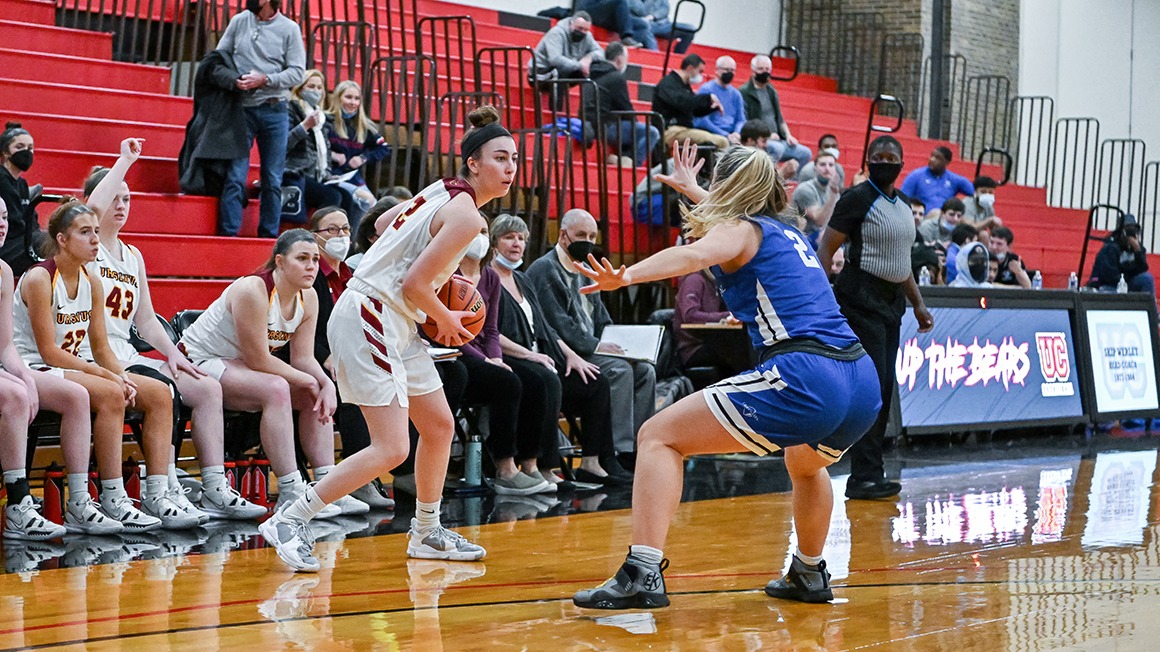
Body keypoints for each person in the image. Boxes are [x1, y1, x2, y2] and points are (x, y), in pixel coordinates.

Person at [571, 141, 881, 609]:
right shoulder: (787, 232)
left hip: (808, 373)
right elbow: (728, 230)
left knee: (658, 436)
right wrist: (695, 190)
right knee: (806, 464)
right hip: (859, 378)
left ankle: (642, 572)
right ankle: (809, 572)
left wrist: (626, 276)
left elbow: (693, 255)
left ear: (730, 188)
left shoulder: (740, 229)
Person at [261, 106, 514, 572]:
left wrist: (422, 272)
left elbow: (381, 225)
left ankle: (426, 530)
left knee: (437, 425)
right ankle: (290, 519)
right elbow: (416, 285)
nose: (511, 169)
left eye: (514, 160)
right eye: (500, 158)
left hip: (390, 316)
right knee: (393, 447)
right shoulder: (468, 219)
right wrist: (449, 319)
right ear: (473, 164)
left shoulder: (441, 190)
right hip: (373, 313)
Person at [82, 138, 266, 523]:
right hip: (92, 353)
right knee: (163, 392)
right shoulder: (86, 248)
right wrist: (124, 161)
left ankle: (214, 486)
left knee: (204, 386)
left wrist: (175, 356)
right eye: (115, 197)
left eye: (127, 199)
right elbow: (91, 210)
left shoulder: (133, 255)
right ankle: (160, 486)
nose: (120, 206)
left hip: (127, 353)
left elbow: (146, 320)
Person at [13, 199, 179, 531]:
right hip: (31, 367)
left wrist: (119, 373)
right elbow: (49, 352)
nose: (94, 240)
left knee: (161, 394)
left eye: (97, 233)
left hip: (74, 365)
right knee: (109, 393)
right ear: (62, 239)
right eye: (85, 232)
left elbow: (101, 347)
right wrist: (107, 376)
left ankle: (159, 494)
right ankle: (96, 500)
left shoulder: (92, 281)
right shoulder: (40, 278)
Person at [178, 229, 361, 520]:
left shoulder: (309, 297)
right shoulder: (253, 289)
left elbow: (303, 358)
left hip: (239, 366)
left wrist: (325, 382)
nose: (311, 265)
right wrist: (310, 380)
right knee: (278, 387)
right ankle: (291, 490)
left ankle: (325, 488)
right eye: (302, 258)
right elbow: (259, 358)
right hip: (198, 361)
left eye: (314, 259)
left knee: (313, 392)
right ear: (280, 262)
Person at [817, 135, 934, 501]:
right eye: (878, 157)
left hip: (892, 304)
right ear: (868, 162)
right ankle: (862, 475)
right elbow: (825, 249)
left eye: (892, 157)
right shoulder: (857, 199)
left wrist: (918, 304)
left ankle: (869, 473)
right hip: (859, 299)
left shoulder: (901, 205)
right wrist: (821, 301)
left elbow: (902, 264)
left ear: (902, 163)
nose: (885, 162)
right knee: (873, 388)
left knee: (883, 388)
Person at [490, 213, 626, 486]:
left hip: (542, 354)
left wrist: (570, 355)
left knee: (595, 382)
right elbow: (490, 333)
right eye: (508, 237)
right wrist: (532, 355)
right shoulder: (489, 279)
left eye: (521, 238)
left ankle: (594, 461)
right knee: (546, 380)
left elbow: (545, 328)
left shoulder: (522, 280)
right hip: (511, 356)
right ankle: (538, 466)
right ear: (493, 244)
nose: (516, 244)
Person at [528, 208, 654, 465]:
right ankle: (617, 451)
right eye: (581, 234)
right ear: (563, 236)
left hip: (592, 349)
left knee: (645, 371)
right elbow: (558, 325)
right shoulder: (545, 269)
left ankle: (642, 445)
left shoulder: (587, 269)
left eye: (592, 236)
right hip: (564, 353)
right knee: (620, 370)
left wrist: (621, 341)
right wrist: (599, 345)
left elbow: (602, 318)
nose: (588, 240)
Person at [293, 206, 395, 508]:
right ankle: (356, 479)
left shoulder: (354, 274)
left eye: (345, 230)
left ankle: (391, 472)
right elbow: (301, 327)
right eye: (332, 230)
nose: (340, 236)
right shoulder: (310, 275)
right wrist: (327, 357)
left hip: (347, 355)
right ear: (315, 237)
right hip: (309, 356)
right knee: (351, 389)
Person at [455, 223, 554, 495]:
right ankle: (504, 468)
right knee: (507, 382)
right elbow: (454, 334)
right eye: (474, 231)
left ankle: (530, 464)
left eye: (484, 232)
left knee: (535, 381)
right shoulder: (448, 273)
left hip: (486, 353)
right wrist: (487, 361)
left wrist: (495, 357)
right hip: (457, 350)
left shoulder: (490, 277)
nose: (479, 237)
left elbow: (491, 330)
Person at [0, 196, 77, 541]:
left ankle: (72, 502)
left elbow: (4, 345)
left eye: (4, 217)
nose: (2, 224)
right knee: (14, 394)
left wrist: (27, 378)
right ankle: (18, 500)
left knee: (26, 390)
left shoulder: (3, 272)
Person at [216, 0, 306, 238]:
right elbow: (219, 57)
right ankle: (228, 234)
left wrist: (265, 79)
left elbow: (298, 71)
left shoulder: (289, 28)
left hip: (275, 108)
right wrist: (234, 79)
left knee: (272, 178)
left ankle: (268, 237)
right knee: (235, 174)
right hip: (241, 107)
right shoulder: (239, 21)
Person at [284, 69, 351, 225]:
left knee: (347, 197)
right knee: (332, 196)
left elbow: (325, 151)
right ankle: (319, 236)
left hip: (317, 176)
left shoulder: (320, 116)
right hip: (296, 173)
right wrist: (304, 126)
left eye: (319, 88)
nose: (316, 91)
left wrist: (328, 175)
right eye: (311, 86)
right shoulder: (291, 109)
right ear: (300, 89)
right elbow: (283, 145)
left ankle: (347, 244)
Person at [325, 80, 390, 229]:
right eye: (348, 97)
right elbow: (314, 147)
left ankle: (357, 244)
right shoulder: (326, 120)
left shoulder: (364, 125)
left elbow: (383, 148)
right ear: (338, 98)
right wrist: (332, 155)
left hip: (353, 177)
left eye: (357, 98)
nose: (353, 102)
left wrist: (363, 157)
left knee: (374, 207)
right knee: (364, 200)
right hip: (331, 177)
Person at [585, 41, 661, 166]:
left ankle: (622, 157)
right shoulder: (616, 77)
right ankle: (631, 163)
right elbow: (626, 108)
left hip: (590, 124)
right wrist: (636, 123)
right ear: (620, 60)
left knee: (634, 129)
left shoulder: (593, 74)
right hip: (605, 127)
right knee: (651, 132)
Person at [740, 56, 812, 169]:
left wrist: (789, 136)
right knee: (777, 149)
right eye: (761, 69)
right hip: (760, 140)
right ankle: (770, 180)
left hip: (779, 138)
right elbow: (747, 123)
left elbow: (780, 119)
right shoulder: (744, 92)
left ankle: (789, 181)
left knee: (805, 153)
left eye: (767, 69)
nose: (765, 72)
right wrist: (766, 136)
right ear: (753, 71)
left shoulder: (771, 91)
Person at [530, 12, 604, 110]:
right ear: (571, 24)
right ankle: (555, 114)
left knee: (595, 67)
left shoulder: (587, 36)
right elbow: (555, 59)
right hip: (540, 74)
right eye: (579, 28)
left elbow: (600, 53)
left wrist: (588, 58)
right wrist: (580, 65)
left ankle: (590, 111)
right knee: (560, 71)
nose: (582, 32)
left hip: (568, 68)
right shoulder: (556, 33)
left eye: (586, 30)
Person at [651, 54, 727, 149]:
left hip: (684, 130)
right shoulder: (668, 83)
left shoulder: (684, 86)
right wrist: (708, 98)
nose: (701, 75)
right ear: (690, 68)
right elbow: (684, 103)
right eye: (700, 71)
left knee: (716, 141)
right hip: (671, 131)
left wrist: (711, 106)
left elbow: (694, 110)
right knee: (721, 142)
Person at [0, 123, 44, 277]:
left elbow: (32, 220)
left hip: (22, 244)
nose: (26, 152)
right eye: (19, 147)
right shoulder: (1, 179)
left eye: (30, 148)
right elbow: (15, 224)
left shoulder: (22, 184)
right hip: (5, 246)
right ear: (5, 152)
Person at [899, 146, 975, 215]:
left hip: (946, 220)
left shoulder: (954, 179)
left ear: (947, 162)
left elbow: (974, 192)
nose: (932, 159)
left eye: (937, 158)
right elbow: (902, 199)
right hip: (921, 219)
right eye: (932, 156)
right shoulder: (916, 175)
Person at [1090, 218, 1155, 294]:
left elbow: (1143, 268)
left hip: (1126, 282)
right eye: (1128, 231)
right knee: (1113, 294)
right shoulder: (1111, 247)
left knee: (1147, 279)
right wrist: (1125, 281)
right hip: (1108, 284)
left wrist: (1138, 251)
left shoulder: (1137, 247)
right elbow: (1110, 276)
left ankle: (1148, 305)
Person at [790, 150, 843, 240]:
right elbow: (820, 221)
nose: (827, 168)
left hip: (823, 237)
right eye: (822, 165)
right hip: (804, 237)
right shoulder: (805, 189)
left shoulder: (834, 191)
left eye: (831, 165)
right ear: (815, 168)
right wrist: (833, 195)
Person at [694, 57, 746, 146]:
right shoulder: (706, 90)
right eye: (726, 69)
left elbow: (741, 119)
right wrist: (725, 134)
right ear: (717, 70)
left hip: (733, 135)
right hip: (712, 133)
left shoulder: (736, 94)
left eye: (732, 70)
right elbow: (702, 120)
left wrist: (737, 133)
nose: (729, 73)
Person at [629, 0, 695, 53]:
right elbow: (640, 10)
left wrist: (653, 16)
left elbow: (665, 9)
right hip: (644, 25)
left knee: (690, 29)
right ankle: (655, 55)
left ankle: (678, 55)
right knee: (645, 26)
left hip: (664, 24)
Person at [576, 0, 644, 47]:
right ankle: (626, 37)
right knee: (620, 1)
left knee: (641, 25)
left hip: (605, 11)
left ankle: (639, 50)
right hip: (588, 9)